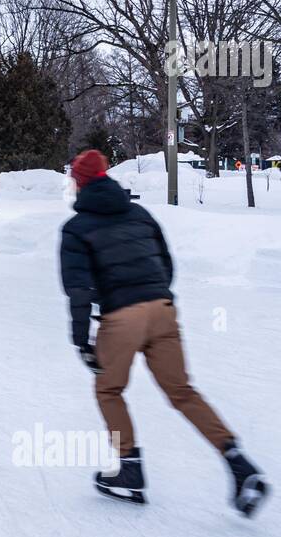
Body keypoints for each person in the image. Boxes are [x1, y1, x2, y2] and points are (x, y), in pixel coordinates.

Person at [60, 149, 268, 516]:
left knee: (108, 389)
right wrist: (153, 297)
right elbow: (166, 263)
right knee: (182, 392)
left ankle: (129, 470)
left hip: (122, 318)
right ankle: (238, 462)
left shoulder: (76, 228)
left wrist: (82, 341)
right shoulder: (139, 213)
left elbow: (78, 291)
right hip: (162, 310)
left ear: (79, 182)